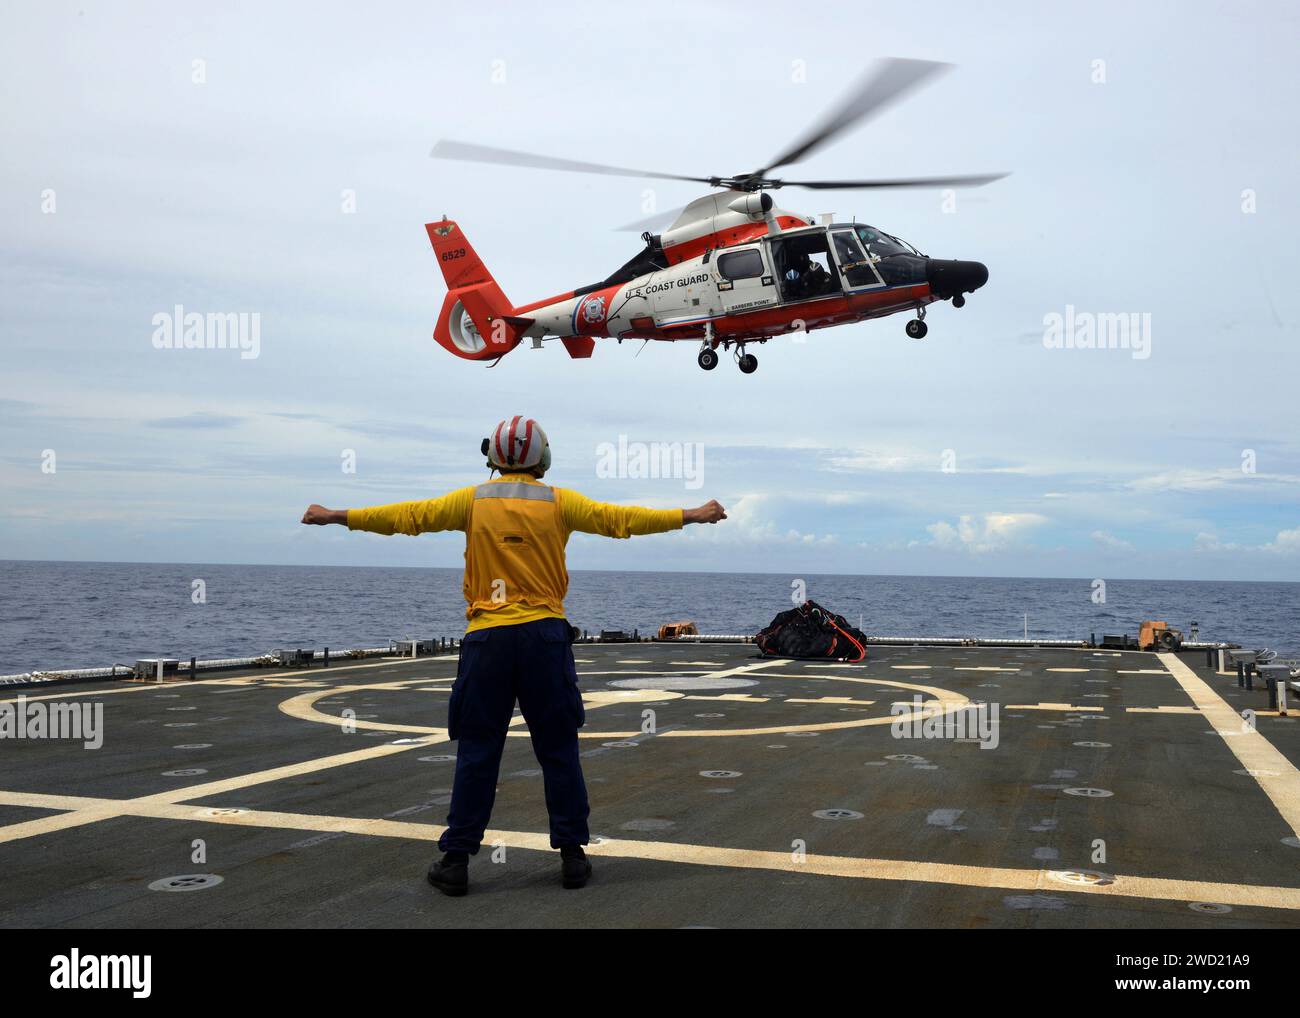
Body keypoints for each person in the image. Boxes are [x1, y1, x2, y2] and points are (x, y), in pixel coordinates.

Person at [300, 416, 727, 896]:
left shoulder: (472, 501)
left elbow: (406, 517)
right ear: (542, 458)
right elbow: (621, 520)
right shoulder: (559, 502)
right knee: (559, 750)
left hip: (488, 642)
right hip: (544, 640)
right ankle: (571, 856)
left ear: (493, 457)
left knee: (478, 751)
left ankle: (457, 860)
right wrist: (690, 514)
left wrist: (337, 515)